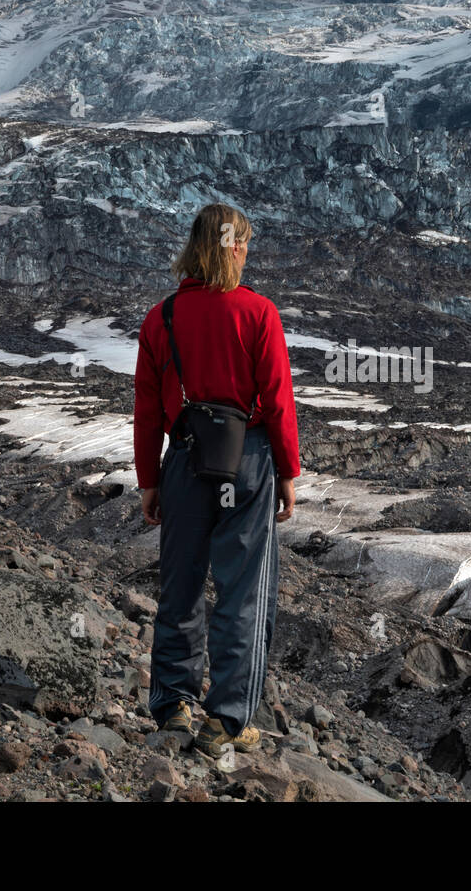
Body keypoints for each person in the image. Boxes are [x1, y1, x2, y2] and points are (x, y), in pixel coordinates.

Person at [133, 203, 299, 758]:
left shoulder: (163, 318)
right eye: (244, 243)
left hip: (183, 461)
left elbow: (148, 408)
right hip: (247, 463)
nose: (247, 253)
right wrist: (288, 471)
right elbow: (277, 401)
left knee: (179, 586)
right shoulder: (258, 313)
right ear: (230, 247)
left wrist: (149, 479)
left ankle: (173, 705)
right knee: (242, 591)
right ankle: (226, 720)